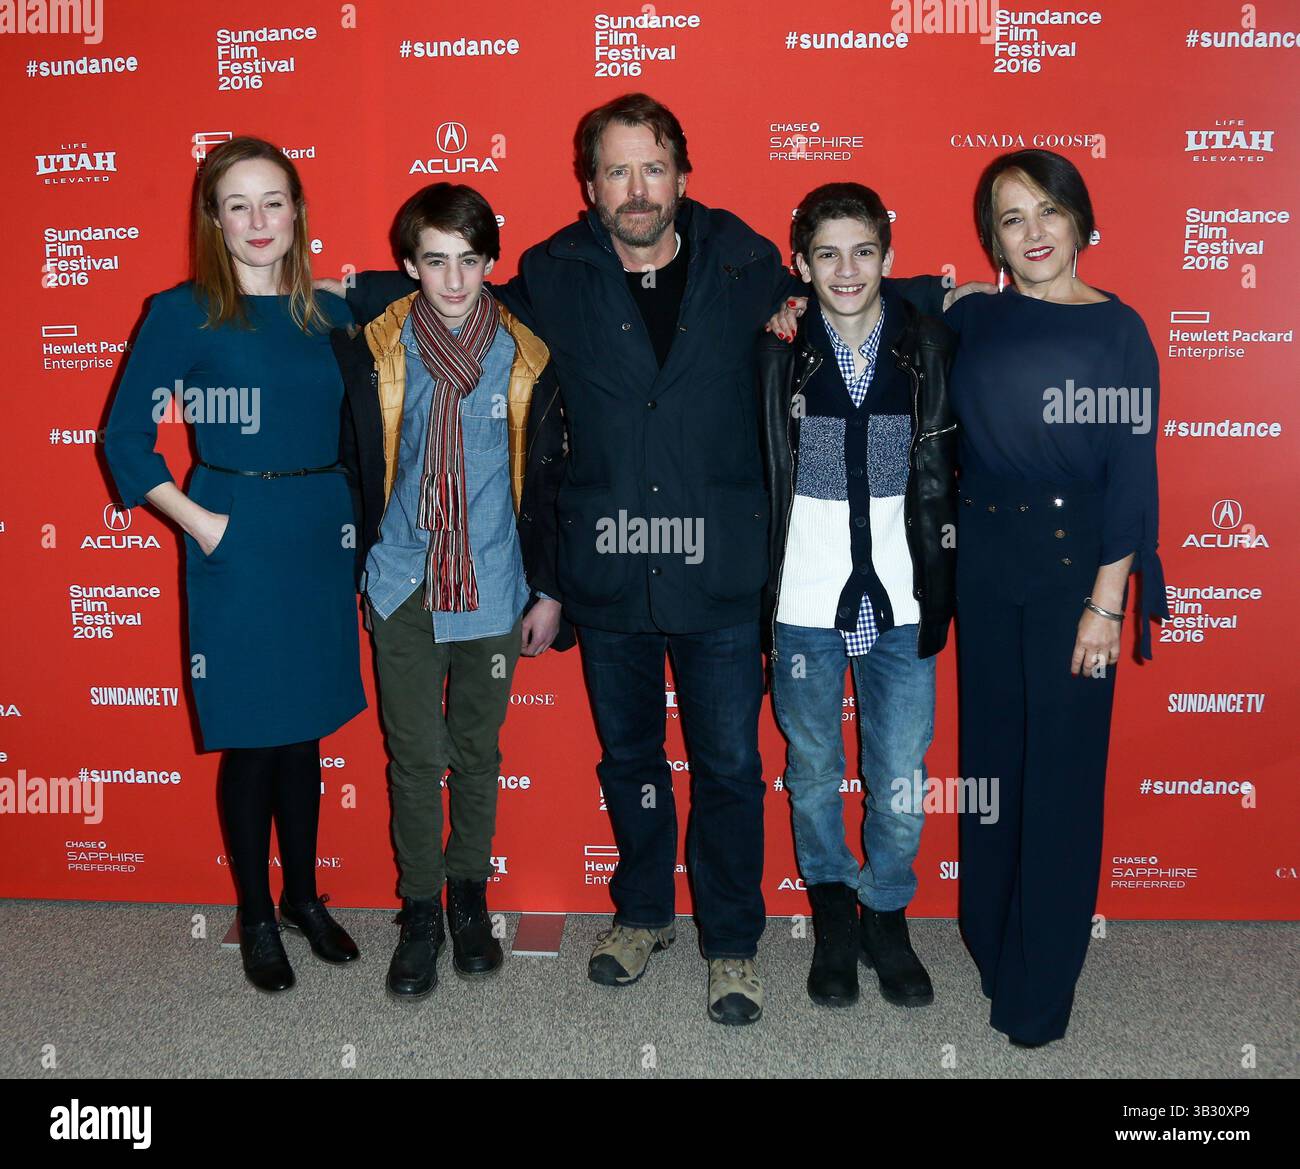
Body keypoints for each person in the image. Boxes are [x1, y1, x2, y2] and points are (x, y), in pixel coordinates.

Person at [329, 93, 968, 1026]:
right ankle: (639, 914)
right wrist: (318, 300)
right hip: (609, 568)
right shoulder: (550, 271)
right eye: (617, 170)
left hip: (719, 571)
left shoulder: (749, 266)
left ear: (682, 176)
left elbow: (860, 294)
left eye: (653, 167)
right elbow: (439, 295)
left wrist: (963, 297)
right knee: (629, 756)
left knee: (727, 766)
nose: (637, 189)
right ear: (590, 184)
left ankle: (733, 941)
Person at [104, 137, 365, 993]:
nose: (259, 221)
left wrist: (341, 288)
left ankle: (303, 896)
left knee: (306, 734)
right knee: (255, 740)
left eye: (274, 202)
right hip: (238, 535)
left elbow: (435, 287)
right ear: (213, 219)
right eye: (239, 204)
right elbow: (123, 441)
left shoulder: (322, 313)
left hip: (318, 533)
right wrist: (201, 524)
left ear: (297, 213)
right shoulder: (182, 312)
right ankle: (255, 912)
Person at [944, 149, 1168, 1046]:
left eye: (1048, 211)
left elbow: (1133, 478)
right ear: (993, 239)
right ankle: (994, 945)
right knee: (994, 767)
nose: (1033, 231)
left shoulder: (1118, 332)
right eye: (1011, 217)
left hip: (1079, 571)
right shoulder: (971, 319)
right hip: (987, 569)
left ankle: (1041, 990)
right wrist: (792, 297)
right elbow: (862, 293)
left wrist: (1107, 604)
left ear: (1080, 222)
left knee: (1064, 780)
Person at [330, 183, 570, 999]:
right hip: (402, 581)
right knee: (412, 756)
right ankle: (422, 908)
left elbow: (553, 481)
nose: (456, 280)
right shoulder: (374, 345)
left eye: (470, 261)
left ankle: (470, 893)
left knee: (477, 750)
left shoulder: (527, 349)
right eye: (435, 262)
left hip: (496, 583)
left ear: (492, 262)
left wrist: (551, 589)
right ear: (409, 267)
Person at [758, 183, 957, 1010]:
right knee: (812, 771)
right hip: (803, 600)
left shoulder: (925, 340)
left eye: (864, 251)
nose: (847, 269)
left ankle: (887, 912)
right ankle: (834, 913)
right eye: (828, 254)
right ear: (801, 263)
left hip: (903, 597)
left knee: (900, 775)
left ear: (889, 258)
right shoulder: (777, 346)